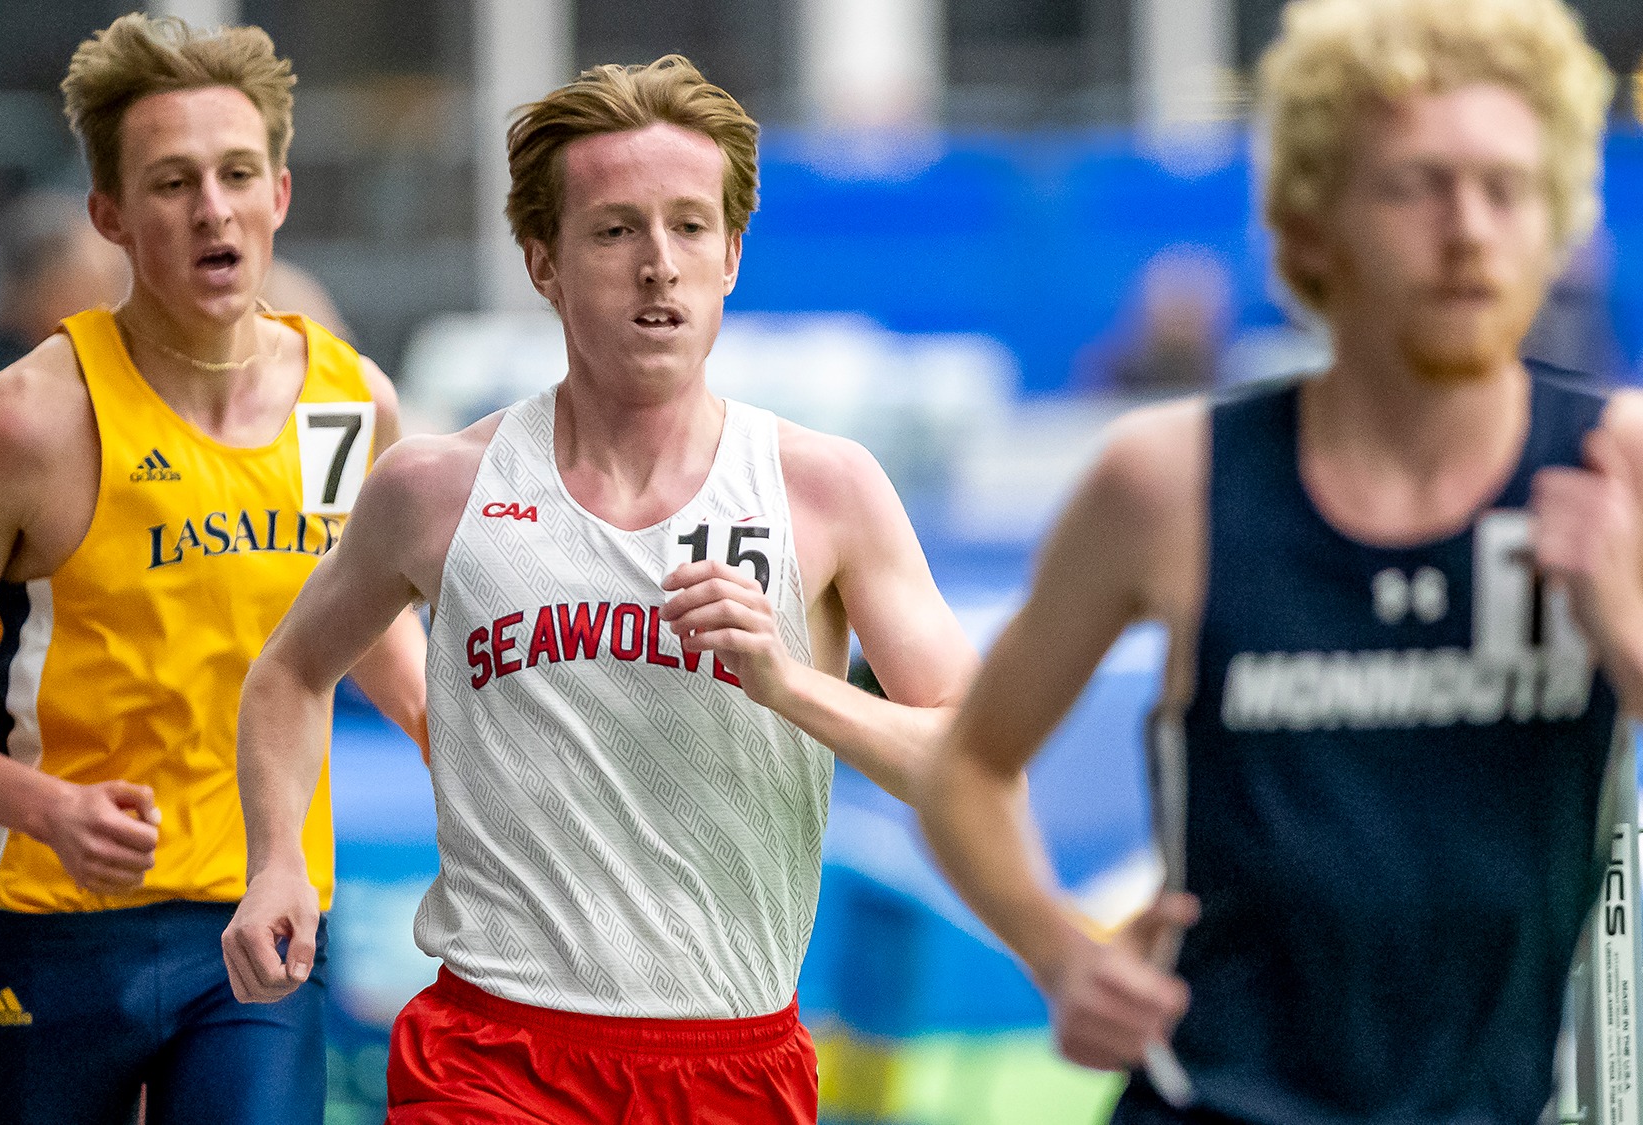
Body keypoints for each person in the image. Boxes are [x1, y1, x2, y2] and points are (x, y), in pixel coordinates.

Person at [916, 0, 1635, 1121]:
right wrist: (1059, 954)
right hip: (1211, 1102)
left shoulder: (1612, 464)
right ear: (1309, 226)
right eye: (1414, 185)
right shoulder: (1168, 483)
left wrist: (1629, 635)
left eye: (1506, 188)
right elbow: (966, 766)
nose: (1467, 231)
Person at [224, 55, 977, 1124]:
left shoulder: (825, 489)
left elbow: (973, 765)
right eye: (616, 230)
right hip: (491, 1056)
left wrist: (788, 683)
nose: (657, 267)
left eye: (688, 228)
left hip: (733, 1059)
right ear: (543, 262)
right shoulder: (437, 487)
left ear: (731, 257)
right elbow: (289, 674)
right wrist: (275, 868)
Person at [0, 14, 424, 1125]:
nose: (211, 207)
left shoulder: (348, 401)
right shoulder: (28, 423)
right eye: (170, 182)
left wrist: (454, 740)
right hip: (49, 929)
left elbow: (365, 615)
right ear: (108, 214)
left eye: (236, 174)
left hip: (261, 914)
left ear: (279, 195)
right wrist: (39, 805)